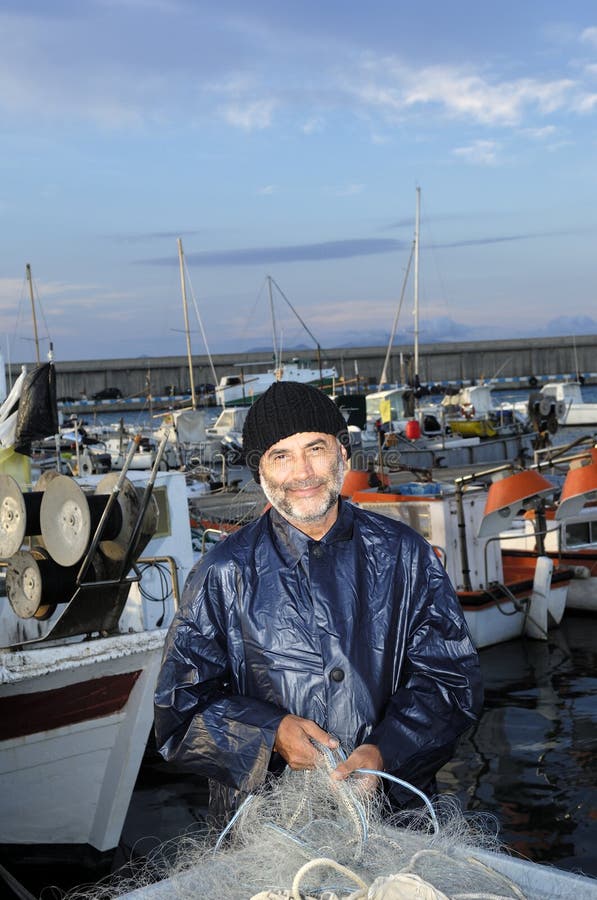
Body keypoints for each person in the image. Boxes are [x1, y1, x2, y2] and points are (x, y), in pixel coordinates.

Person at [154, 381, 483, 826]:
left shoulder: (405, 555)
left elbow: (451, 682)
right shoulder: (222, 572)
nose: (303, 472)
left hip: (397, 820)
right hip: (267, 832)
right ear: (260, 472)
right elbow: (179, 712)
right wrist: (270, 733)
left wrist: (387, 750)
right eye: (281, 455)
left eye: (315, 448)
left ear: (343, 454)